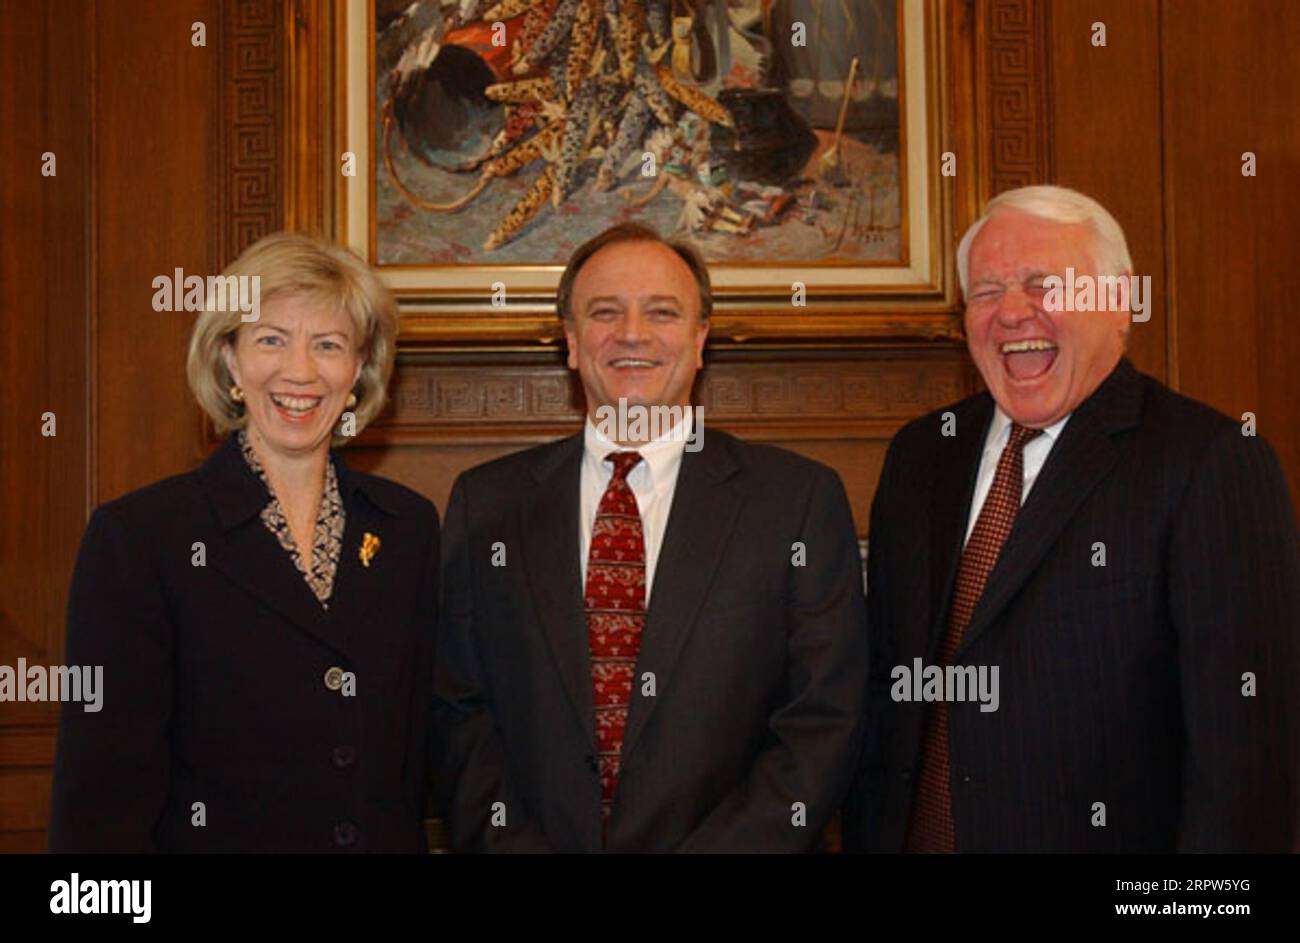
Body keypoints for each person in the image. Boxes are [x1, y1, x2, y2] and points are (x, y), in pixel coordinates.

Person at [843, 185, 1300, 853]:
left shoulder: (1210, 464)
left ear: (1117, 304)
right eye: (987, 289)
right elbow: (888, 688)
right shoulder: (921, 453)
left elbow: (1249, 764)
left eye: (1043, 284)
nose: (1012, 312)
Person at [432, 223, 867, 851]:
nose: (632, 333)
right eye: (605, 313)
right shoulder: (487, 503)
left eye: (661, 312)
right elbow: (458, 713)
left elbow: (824, 720)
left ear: (699, 341)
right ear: (573, 343)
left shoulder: (795, 501)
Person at [49, 232, 439, 852]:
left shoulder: (407, 529)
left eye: (329, 345)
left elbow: (416, 756)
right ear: (229, 359)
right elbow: (99, 800)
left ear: (360, 371)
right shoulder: (141, 538)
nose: (300, 371)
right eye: (271, 340)